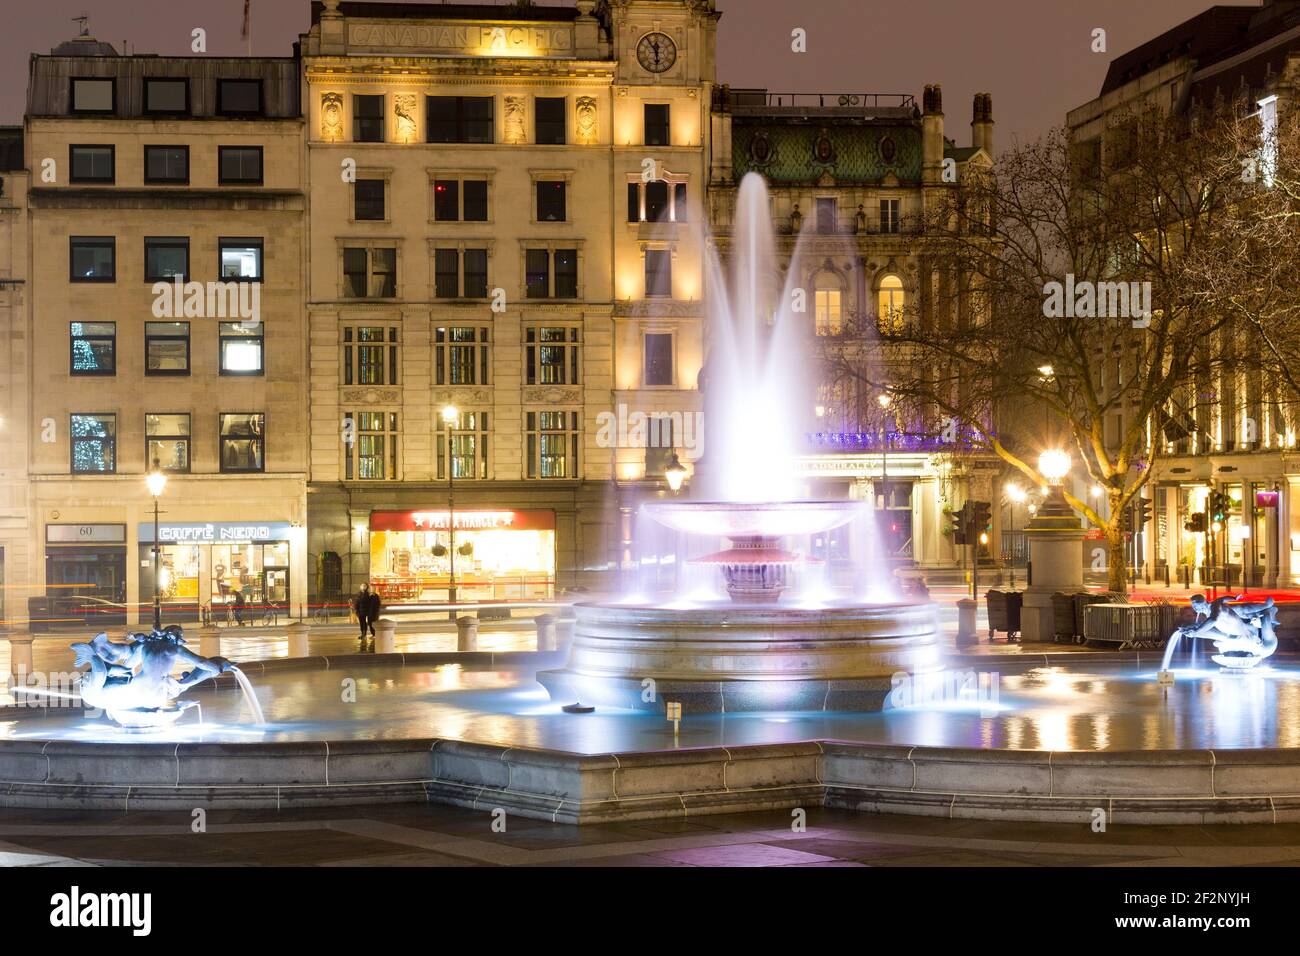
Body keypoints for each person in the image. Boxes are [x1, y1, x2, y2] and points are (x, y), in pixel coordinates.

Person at [354, 583, 375, 649]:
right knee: (362, 623)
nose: (363, 587)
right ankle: (363, 633)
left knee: (370, 623)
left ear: (367, 587)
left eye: (364, 586)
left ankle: (373, 633)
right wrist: (356, 610)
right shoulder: (359, 594)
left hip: (367, 611)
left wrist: (371, 611)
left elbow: (371, 603)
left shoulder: (368, 594)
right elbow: (357, 603)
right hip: (361, 611)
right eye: (362, 585)